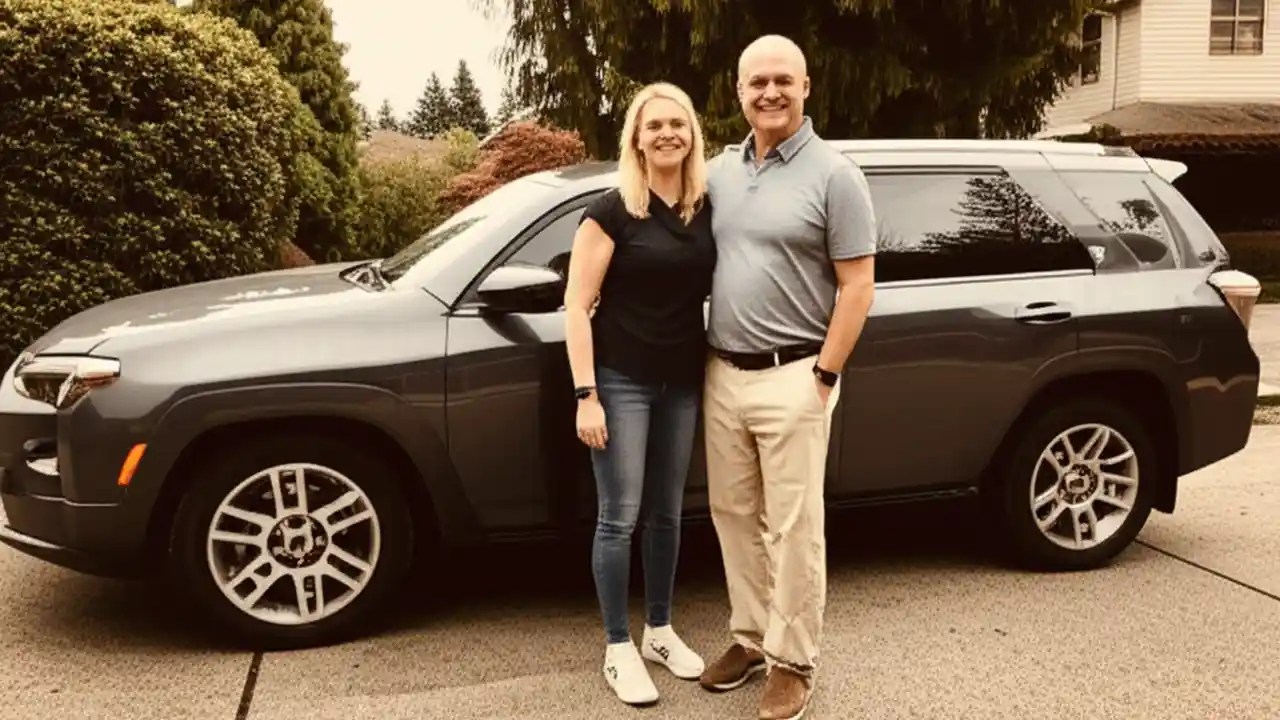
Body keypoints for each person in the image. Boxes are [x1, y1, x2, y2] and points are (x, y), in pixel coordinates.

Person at [696, 35, 877, 720]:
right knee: (734, 516)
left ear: (806, 86)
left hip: (797, 373)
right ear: (738, 92)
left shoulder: (835, 175)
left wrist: (824, 375)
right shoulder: (720, 172)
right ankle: (749, 638)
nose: (768, 93)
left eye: (781, 81)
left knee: (794, 528)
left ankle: (794, 662)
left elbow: (857, 287)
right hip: (723, 372)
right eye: (755, 83)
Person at [562, 81, 717, 707]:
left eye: (677, 124)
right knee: (618, 517)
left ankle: (658, 629)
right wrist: (586, 394)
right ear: (636, 137)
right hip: (620, 379)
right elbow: (575, 305)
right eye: (654, 126)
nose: (667, 135)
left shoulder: (704, 207)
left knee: (667, 513)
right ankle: (617, 646)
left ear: (691, 135)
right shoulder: (610, 211)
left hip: (682, 380)